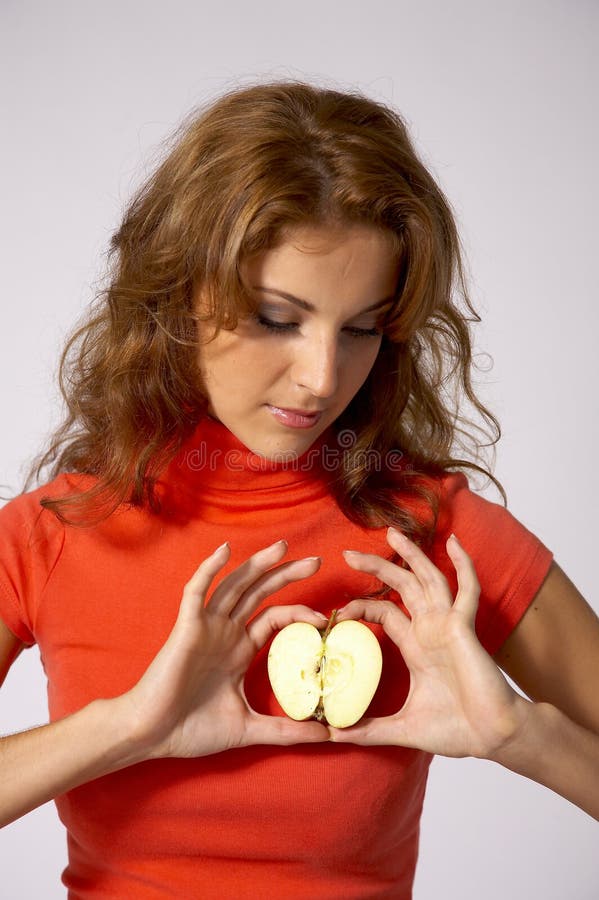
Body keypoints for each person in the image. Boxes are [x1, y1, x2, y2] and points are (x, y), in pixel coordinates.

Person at [0, 80, 597, 899]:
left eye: (361, 329)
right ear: (182, 290)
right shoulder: (50, 535)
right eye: (279, 317)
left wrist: (518, 736)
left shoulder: (433, 539)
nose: (321, 379)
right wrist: (126, 728)